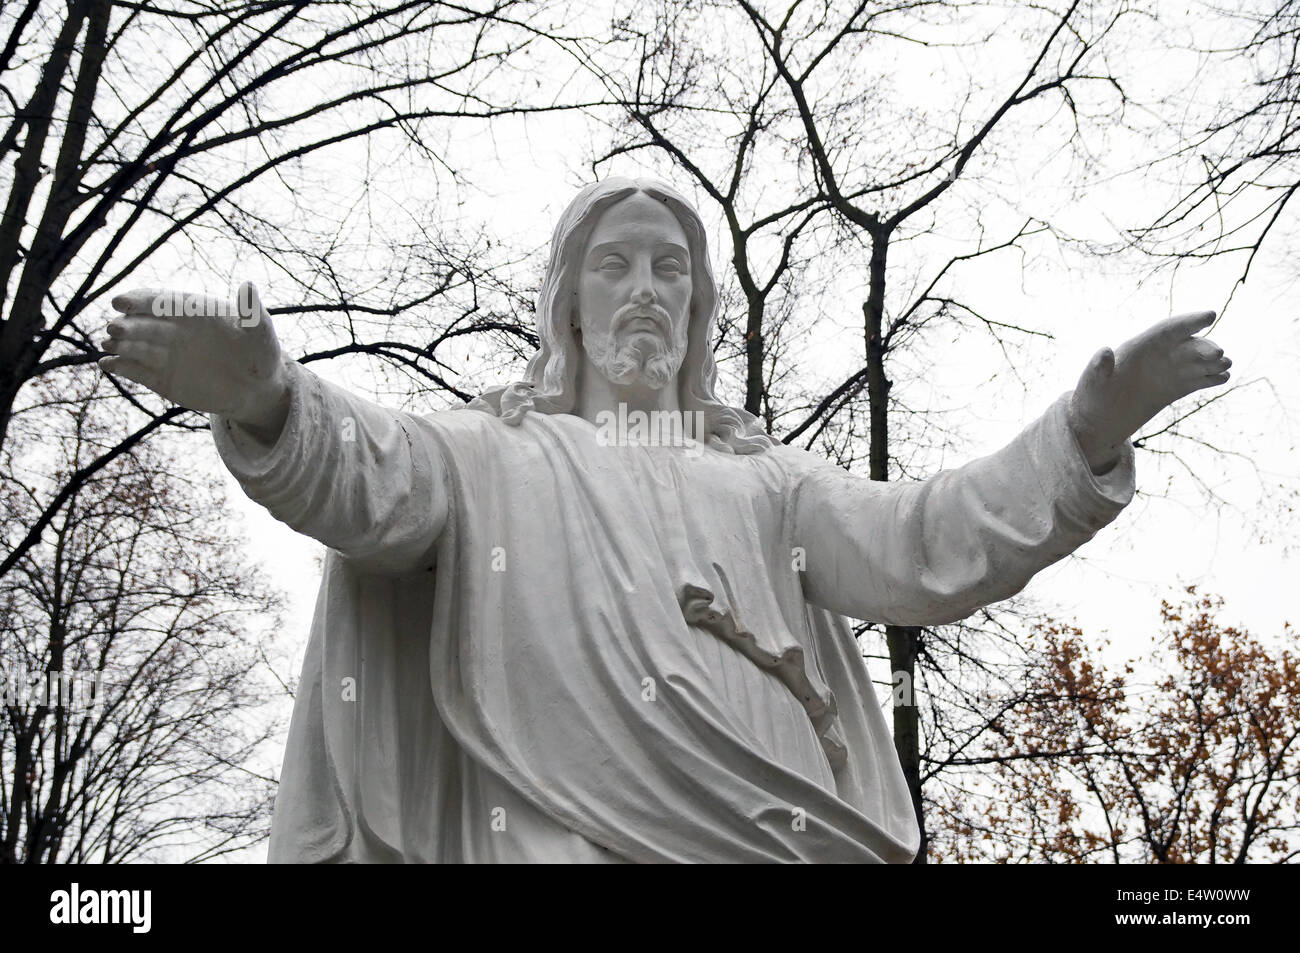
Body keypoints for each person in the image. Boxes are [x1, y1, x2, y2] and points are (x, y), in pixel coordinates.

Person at [100, 178, 1232, 863]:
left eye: (669, 269)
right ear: (572, 304)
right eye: (615, 264)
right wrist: (266, 398)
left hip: (774, 830)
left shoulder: (766, 480)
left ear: (695, 306)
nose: (645, 286)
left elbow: (920, 543)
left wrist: (1079, 434)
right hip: (561, 823)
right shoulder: (492, 452)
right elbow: (367, 483)